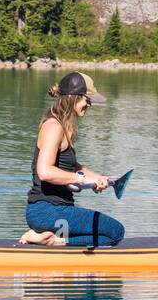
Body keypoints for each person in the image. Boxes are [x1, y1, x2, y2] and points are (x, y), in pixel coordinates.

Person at [19, 71, 125, 248]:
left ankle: (52, 237)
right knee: (116, 232)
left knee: (108, 231)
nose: (89, 104)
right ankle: (53, 240)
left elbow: (72, 166)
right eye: (87, 99)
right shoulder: (54, 127)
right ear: (73, 97)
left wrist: (98, 178)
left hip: (56, 211)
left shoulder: (63, 127)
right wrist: (82, 179)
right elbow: (45, 172)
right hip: (46, 211)